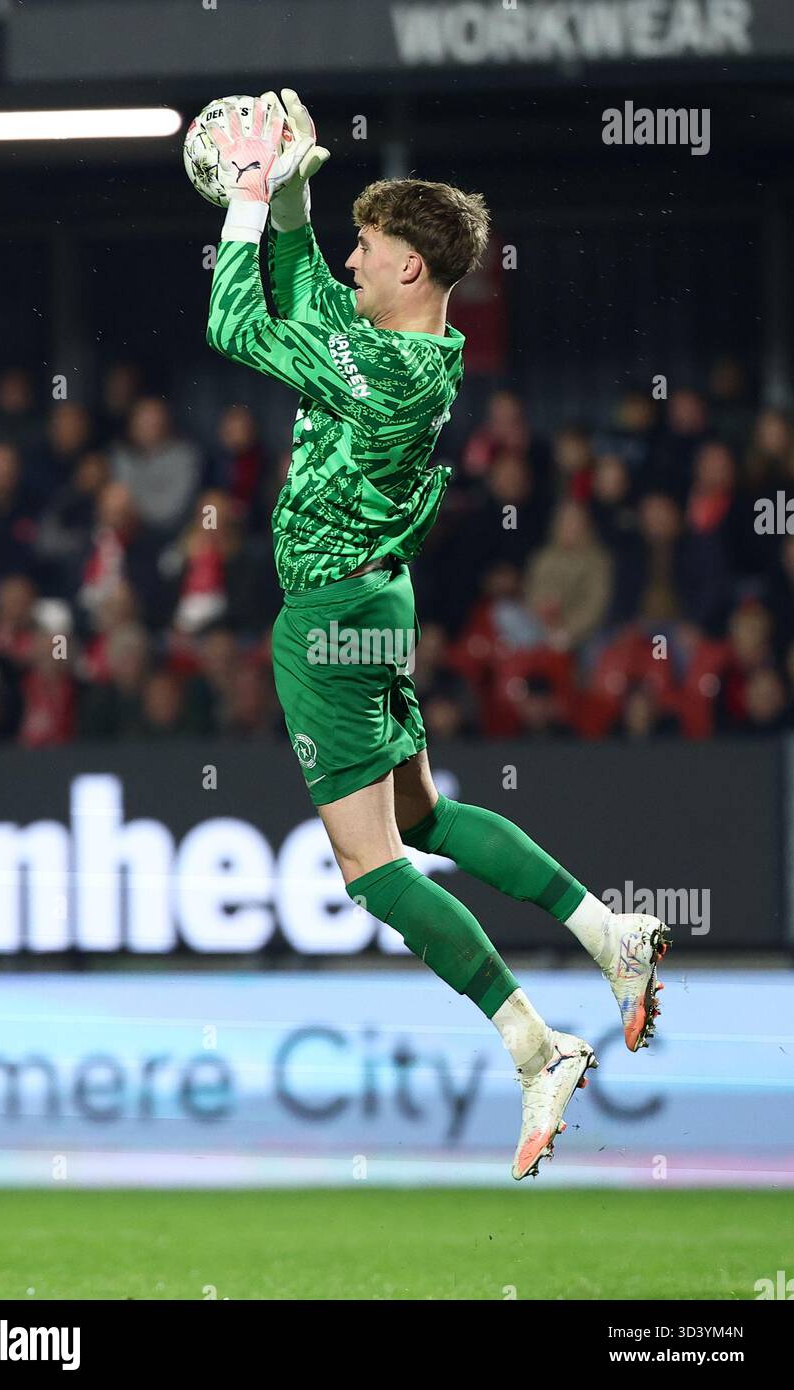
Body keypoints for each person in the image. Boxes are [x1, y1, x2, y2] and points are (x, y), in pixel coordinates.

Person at [201, 90, 669, 1181]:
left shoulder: (390, 374)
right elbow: (309, 286)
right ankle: (612, 935)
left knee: (370, 867)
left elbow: (236, 323)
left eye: (369, 249)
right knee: (423, 811)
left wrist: (246, 198)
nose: (353, 263)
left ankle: (534, 1044)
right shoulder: (405, 350)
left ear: (412, 267)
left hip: (327, 614)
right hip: (379, 600)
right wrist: (303, 190)